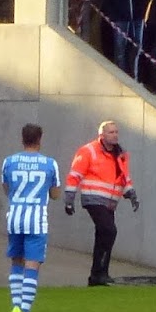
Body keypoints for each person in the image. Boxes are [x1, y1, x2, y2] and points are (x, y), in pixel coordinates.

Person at [63, 121, 138, 287]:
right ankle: (99, 272)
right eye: (111, 132)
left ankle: (98, 275)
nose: (115, 135)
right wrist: (69, 199)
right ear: (102, 135)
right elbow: (75, 175)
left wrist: (131, 193)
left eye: (116, 132)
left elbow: (125, 177)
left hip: (110, 201)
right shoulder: (88, 151)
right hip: (93, 198)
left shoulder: (121, 154)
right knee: (109, 231)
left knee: (103, 235)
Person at [2, 124, 62, 312]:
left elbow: (6, 189)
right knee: (32, 263)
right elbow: (55, 195)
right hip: (36, 219)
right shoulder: (49, 163)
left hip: (15, 216)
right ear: (40, 139)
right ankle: (24, 311)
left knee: (16, 261)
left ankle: (15, 307)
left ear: (22, 139)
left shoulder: (9, 162)